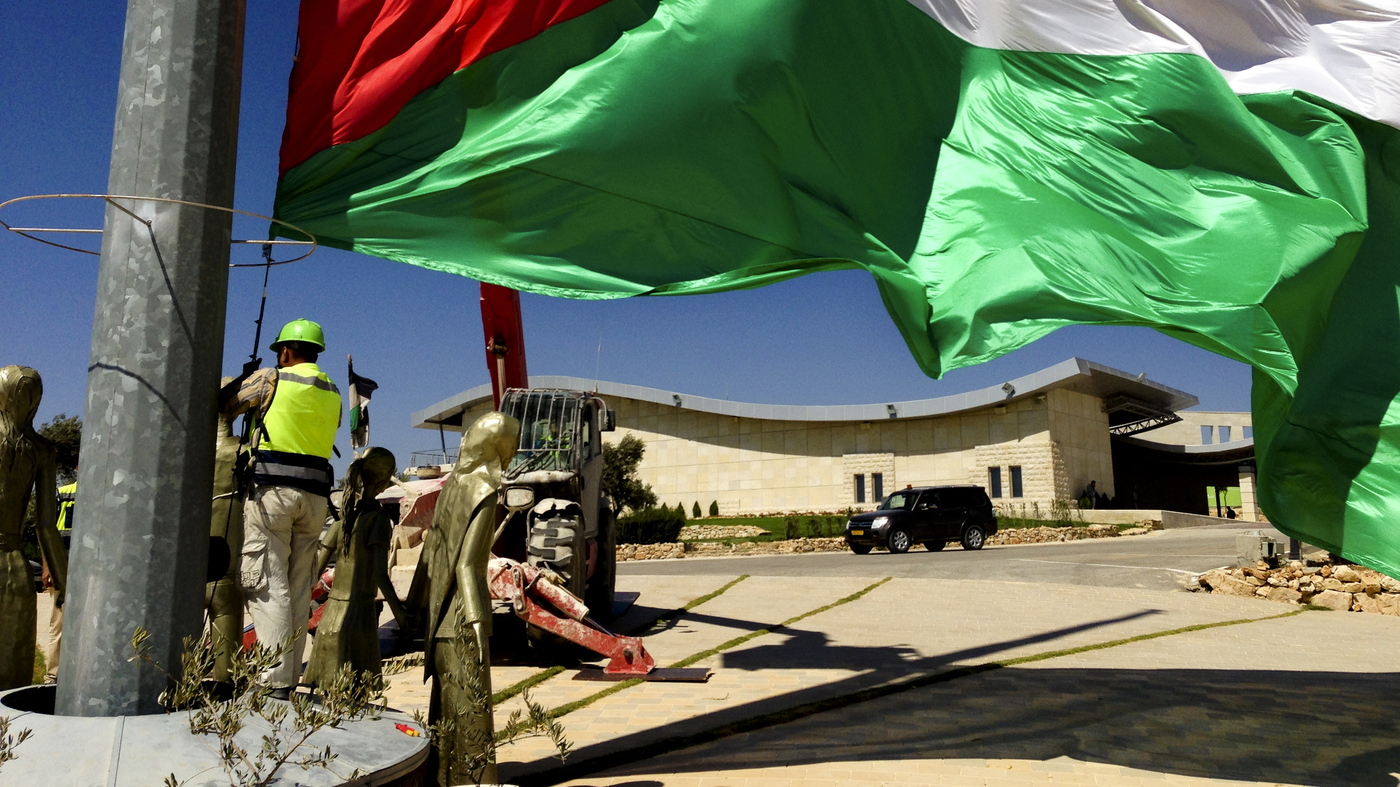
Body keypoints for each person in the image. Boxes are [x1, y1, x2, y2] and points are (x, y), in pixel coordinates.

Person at [222, 319, 341, 699]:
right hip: (316, 498)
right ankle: (288, 681)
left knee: (267, 586)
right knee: (297, 589)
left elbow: (225, 406)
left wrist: (241, 379)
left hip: (273, 492)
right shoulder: (332, 389)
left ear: (286, 351)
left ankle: (272, 685)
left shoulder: (271, 378)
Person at [421, 412, 520, 787]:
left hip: (441, 617)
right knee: (472, 713)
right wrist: (481, 620)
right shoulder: (483, 489)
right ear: (500, 447)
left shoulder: (452, 486)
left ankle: (443, 778)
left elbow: (433, 555)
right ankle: (475, 781)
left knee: (447, 710)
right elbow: (468, 567)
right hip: (463, 615)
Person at [303, 447, 408, 686]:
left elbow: (314, 572)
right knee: (355, 697)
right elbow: (380, 575)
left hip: (330, 618)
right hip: (358, 620)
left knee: (322, 698)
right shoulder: (379, 520)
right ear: (384, 480)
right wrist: (400, 614)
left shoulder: (344, 521)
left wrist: (303, 603)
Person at [0, 366, 66, 690]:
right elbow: (46, 527)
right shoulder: (42, 451)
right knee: (13, 674)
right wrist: (65, 585)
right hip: (15, 566)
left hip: (14, 565)